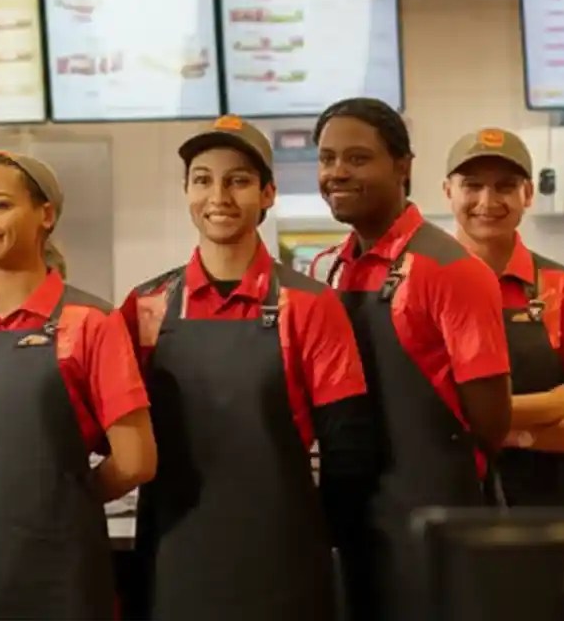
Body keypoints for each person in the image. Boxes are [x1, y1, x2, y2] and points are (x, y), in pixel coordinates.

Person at [118, 115, 378, 621]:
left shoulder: (310, 305)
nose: (218, 196)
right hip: (175, 553)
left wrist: (316, 538)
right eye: (202, 180)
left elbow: (350, 446)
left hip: (282, 556)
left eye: (237, 180)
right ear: (187, 191)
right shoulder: (144, 307)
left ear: (268, 193)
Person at [0, 152, 157, 621]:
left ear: (45, 215)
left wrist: (61, 502)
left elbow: (136, 460)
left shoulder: (89, 323)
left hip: (56, 582)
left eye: (0, 205)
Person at [309, 98, 513, 621]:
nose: (337, 173)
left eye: (357, 158)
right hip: (354, 521)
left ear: (403, 166)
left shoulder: (451, 271)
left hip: (436, 524)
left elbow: (490, 423)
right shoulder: (325, 269)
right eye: (327, 158)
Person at [443, 127, 564, 506]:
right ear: (448, 192)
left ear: (527, 195)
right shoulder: (421, 284)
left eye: (505, 186)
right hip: (447, 513)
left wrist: (506, 433)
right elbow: (428, 418)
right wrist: (555, 403)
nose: (487, 200)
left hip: (547, 519)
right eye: (472, 185)